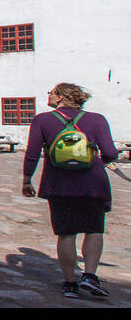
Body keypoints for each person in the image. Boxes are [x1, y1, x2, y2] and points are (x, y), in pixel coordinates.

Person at [22, 82, 118, 298]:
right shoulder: (97, 119)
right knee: (94, 230)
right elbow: (110, 153)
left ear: (60, 97)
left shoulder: (42, 120)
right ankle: (90, 277)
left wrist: (27, 179)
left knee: (66, 233)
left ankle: (70, 284)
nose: (49, 95)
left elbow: (32, 153)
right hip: (92, 183)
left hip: (58, 184)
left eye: (52, 92)